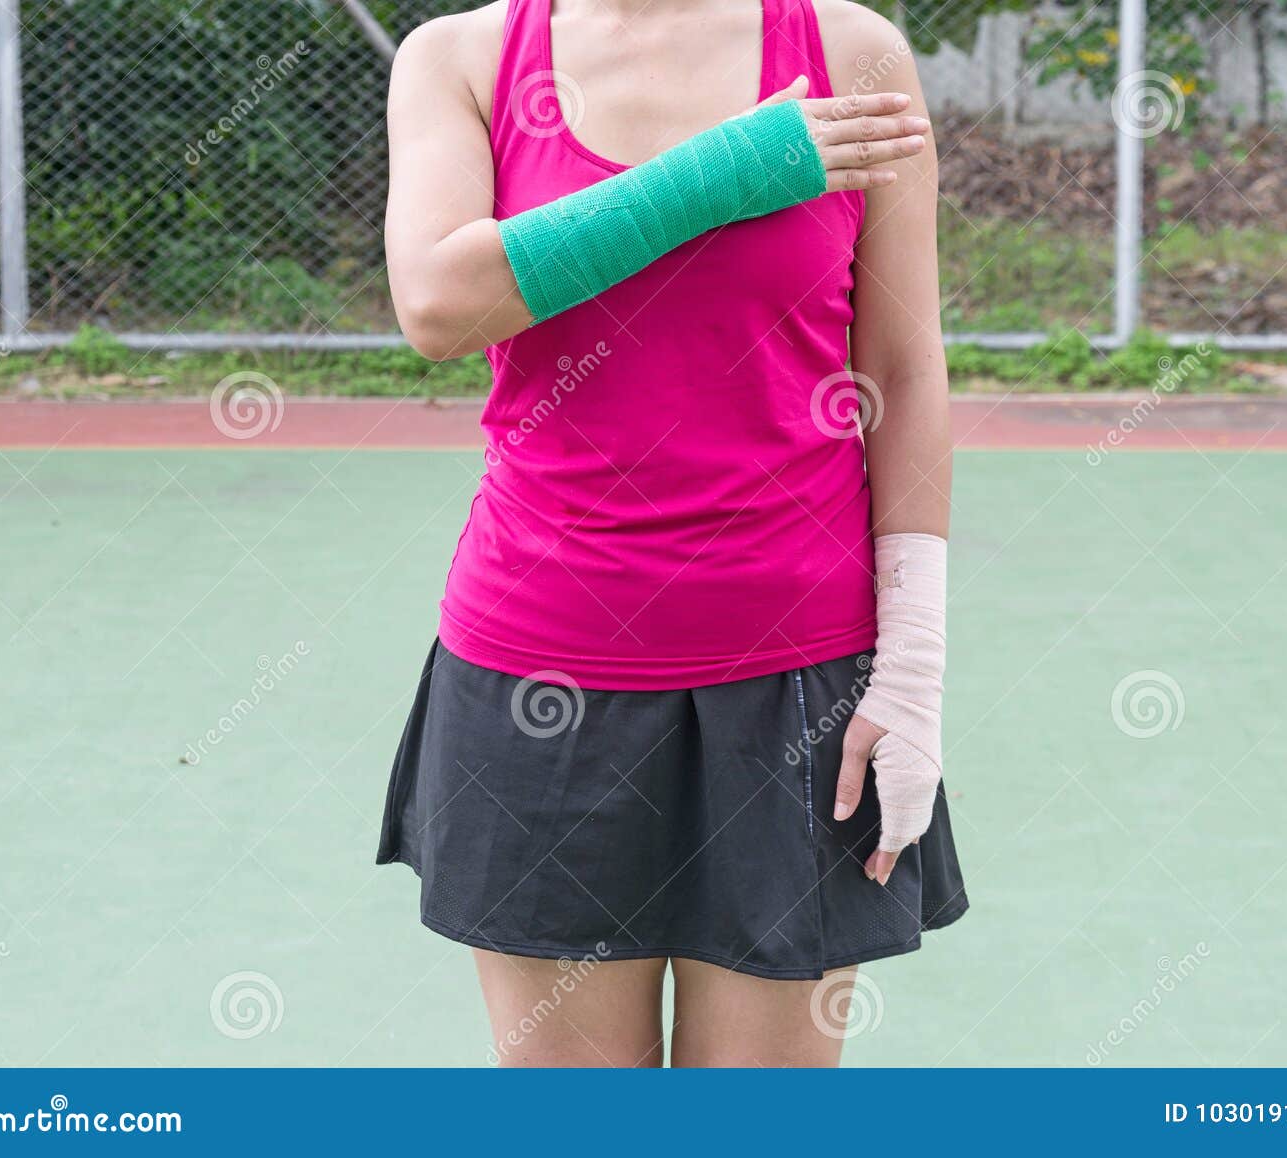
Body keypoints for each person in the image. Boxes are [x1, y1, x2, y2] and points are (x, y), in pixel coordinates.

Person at [377, 0, 965, 1067]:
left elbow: (905, 368)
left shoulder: (849, 50)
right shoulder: (459, 59)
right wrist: (722, 172)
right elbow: (437, 306)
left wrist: (915, 660)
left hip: (797, 678)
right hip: (539, 674)